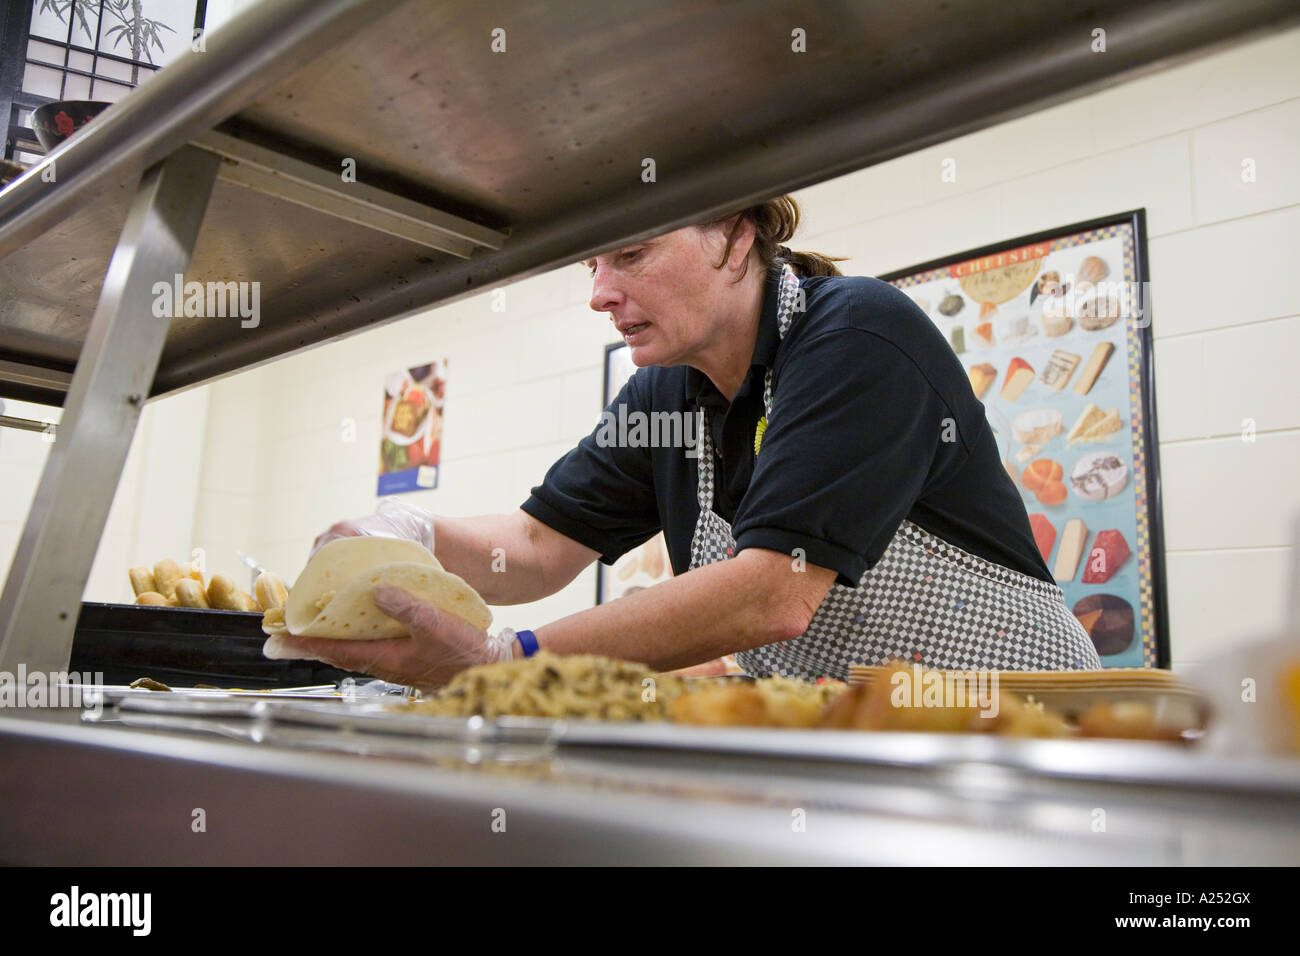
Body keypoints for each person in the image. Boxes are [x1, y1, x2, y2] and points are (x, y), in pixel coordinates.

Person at [267, 197, 1102, 689]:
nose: (599, 292)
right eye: (591, 264)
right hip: (859, 743)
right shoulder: (667, 393)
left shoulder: (857, 335)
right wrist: (415, 537)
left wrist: (502, 659)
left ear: (736, 237)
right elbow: (536, 546)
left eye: (630, 253)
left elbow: (773, 593)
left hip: (1010, 717)